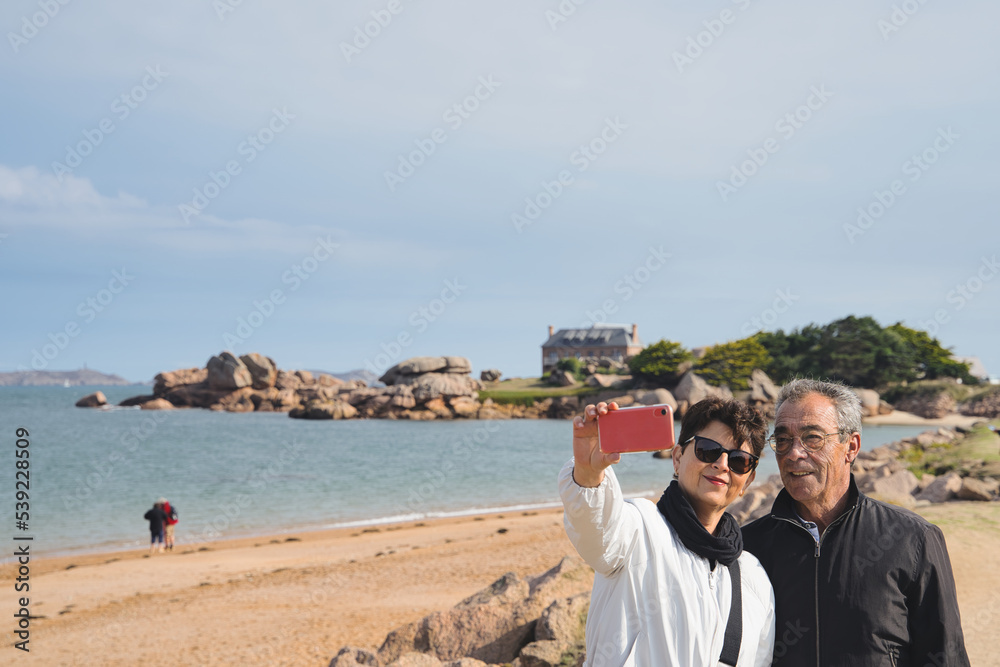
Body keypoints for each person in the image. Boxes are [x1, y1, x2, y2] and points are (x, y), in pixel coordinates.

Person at [742, 379, 969, 666]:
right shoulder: (749, 548)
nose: (793, 453)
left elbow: (946, 656)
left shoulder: (914, 539)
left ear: (851, 446)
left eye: (812, 437)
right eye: (783, 439)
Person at [560, 397, 775, 666]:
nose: (722, 464)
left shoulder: (753, 577)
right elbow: (596, 530)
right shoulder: (639, 529)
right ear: (677, 457)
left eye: (739, 461)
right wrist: (589, 473)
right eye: (707, 450)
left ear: (748, 480)